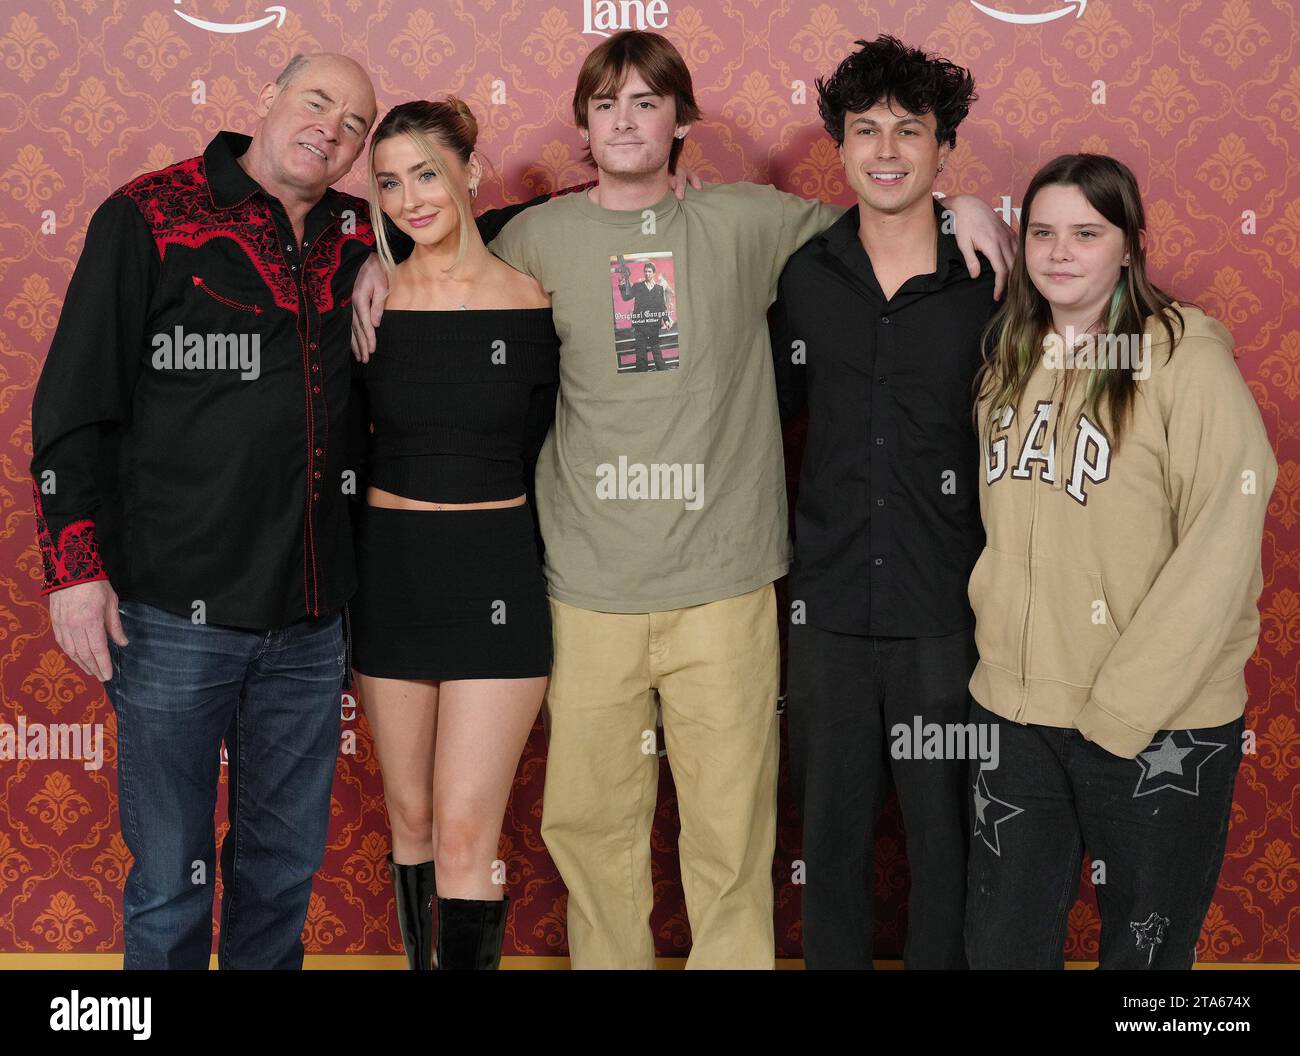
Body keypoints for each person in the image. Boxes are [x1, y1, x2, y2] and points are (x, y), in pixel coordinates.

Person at [352, 30, 1015, 969]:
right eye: (607, 104)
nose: (626, 121)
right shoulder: (535, 236)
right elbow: (437, 241)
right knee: (592, 838)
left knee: (730, 841)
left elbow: (884, 208)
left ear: (680, 121)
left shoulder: (751, 219)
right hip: (585, 591)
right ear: (582, 123)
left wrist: (961, 205)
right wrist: (376, 264)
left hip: (727, 588)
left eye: (647, 103)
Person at [30, 52, 380, 969]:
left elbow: (470, 233)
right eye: (316, 101)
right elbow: (74, 407)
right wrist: (75, 573)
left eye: (354, 123)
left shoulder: (362, 233)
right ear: (266, 100)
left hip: (310, 624)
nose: (331, 128)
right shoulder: (148, 214)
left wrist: (662, 188)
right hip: (170, 617)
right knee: (169, 878)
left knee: (280, 873)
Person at [965, 153, 1277, 968]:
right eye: (1040, 232)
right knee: (1001, 947)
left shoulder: (1185, 359)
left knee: (1145, 963)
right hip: (1019, 712)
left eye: (1086, 233)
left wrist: (1123, 708)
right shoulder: (1008, 356)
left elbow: (1224, 544)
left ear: (1130, 245)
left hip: (1160, 725)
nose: (1059, 252)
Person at [770, 36, 993, 970]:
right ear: (841, 146)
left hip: (950, 610)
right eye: (867, 130)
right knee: (830, 847)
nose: (888, 149)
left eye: (912, 129)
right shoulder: (800, 275)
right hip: (825, 613)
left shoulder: (994, 280)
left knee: (950, 846)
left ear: (944, 149)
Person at [349, 97, 559, 971]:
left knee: (471, 826)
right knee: (411, 820)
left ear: (471, 171)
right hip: (392, 574)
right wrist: (368, 260)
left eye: (426, 174)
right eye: (389, 183)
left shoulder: (536, 296)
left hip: (497, 576)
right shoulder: (368, 296)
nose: (409, 199)